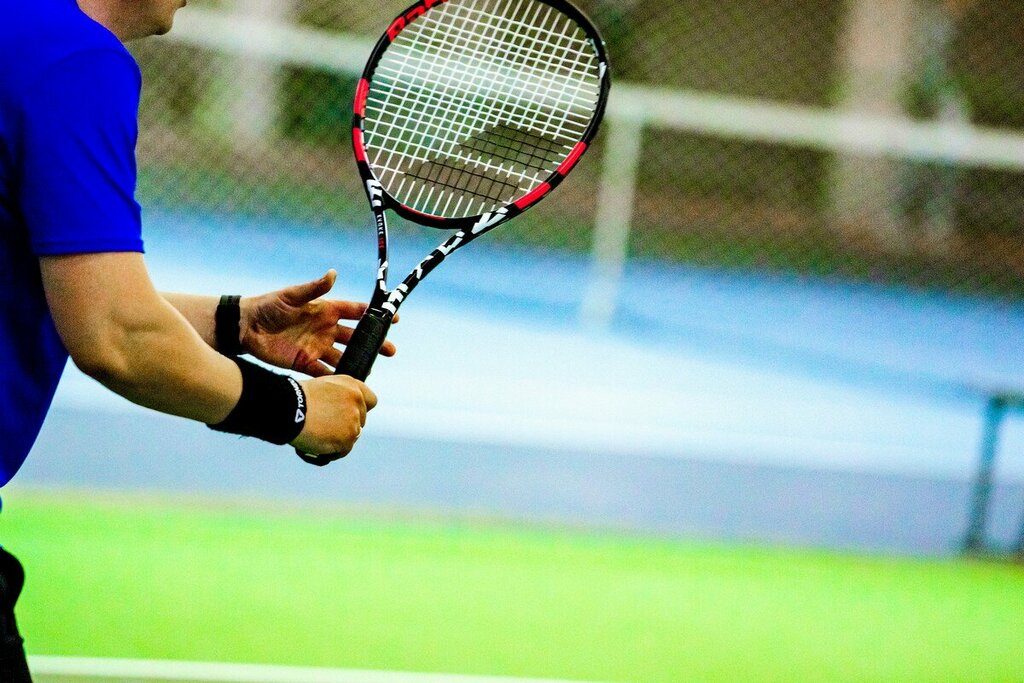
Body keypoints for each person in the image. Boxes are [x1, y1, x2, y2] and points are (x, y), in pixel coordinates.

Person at [0, 0, 393, 678]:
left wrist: (234, 321)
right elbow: (115, 334)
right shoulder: (76, 62)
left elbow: (63, 290)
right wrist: (295, 410)